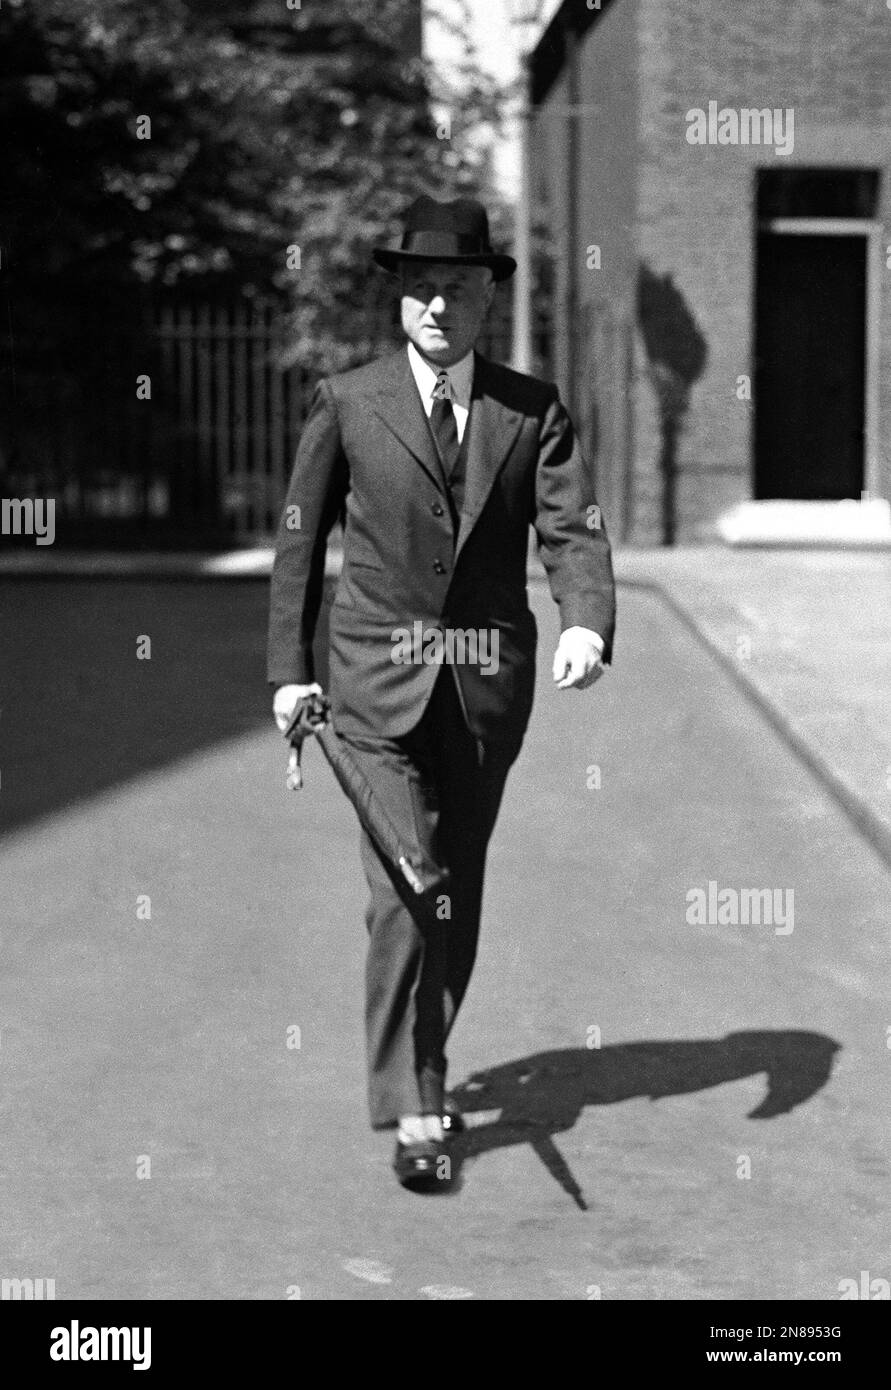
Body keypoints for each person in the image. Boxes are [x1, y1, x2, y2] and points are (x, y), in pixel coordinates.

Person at [267, 194, 616, 1190]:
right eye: (418, 287)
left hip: (481, 694)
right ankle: (418, 1097)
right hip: (370, 693)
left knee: (452, 891)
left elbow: (573, 528)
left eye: (455, 287)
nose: (435, 304)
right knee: (406, 892)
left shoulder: (530, 407)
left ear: (484, 298)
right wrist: (290, 675)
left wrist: (585, 619)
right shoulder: (349, 400)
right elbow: (300, 542)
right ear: (400, 299)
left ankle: (425, 1057)